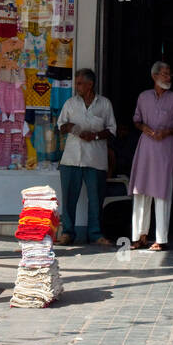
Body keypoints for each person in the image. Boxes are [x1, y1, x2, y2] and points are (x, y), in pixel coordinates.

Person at [130, 61, 173, 251]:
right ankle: (139, 236)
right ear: (154, 76)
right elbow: (136, 120)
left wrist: (168, 131)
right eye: (164, 74)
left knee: (162, 192)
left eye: (169, 74)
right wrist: (144, 127)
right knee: (141, 191)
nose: (168, 77)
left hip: (164, 149)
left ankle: (160, 239)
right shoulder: (143, 97)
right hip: (146, 148)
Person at [56, 69, 117, 247]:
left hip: (95, 159)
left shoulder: (104, 104)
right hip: (71, 159)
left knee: (96, 199)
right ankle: (68, 233)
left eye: (80, 83)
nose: (77, 86)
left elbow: (112, 130)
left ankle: (95, 234)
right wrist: (70, 127)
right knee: (68, 199)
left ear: (90, 85)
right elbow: (60, 126)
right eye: (76, 83)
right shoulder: (70, 103)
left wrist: (96, 136)